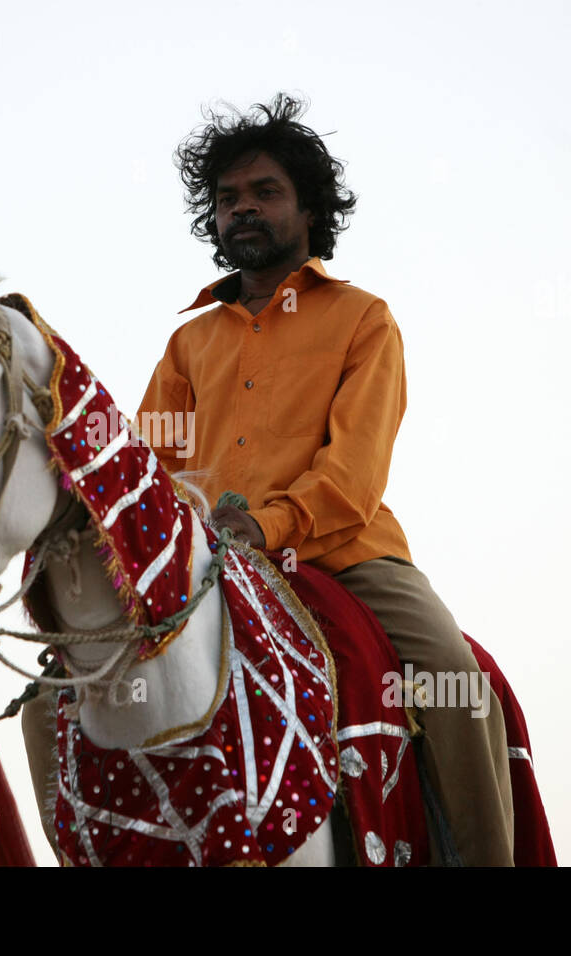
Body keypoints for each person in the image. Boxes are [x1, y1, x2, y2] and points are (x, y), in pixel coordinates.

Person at [133, 92, 515, 866]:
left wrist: (267, 527)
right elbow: (149, 471)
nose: (243, 209)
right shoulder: (188, 345)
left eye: (265, 192)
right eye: (228, 198)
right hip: (208, 570)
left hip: (347, 554)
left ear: (309, 209)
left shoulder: (363, 319)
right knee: (64, 694)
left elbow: (355, 470)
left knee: (459, 686)